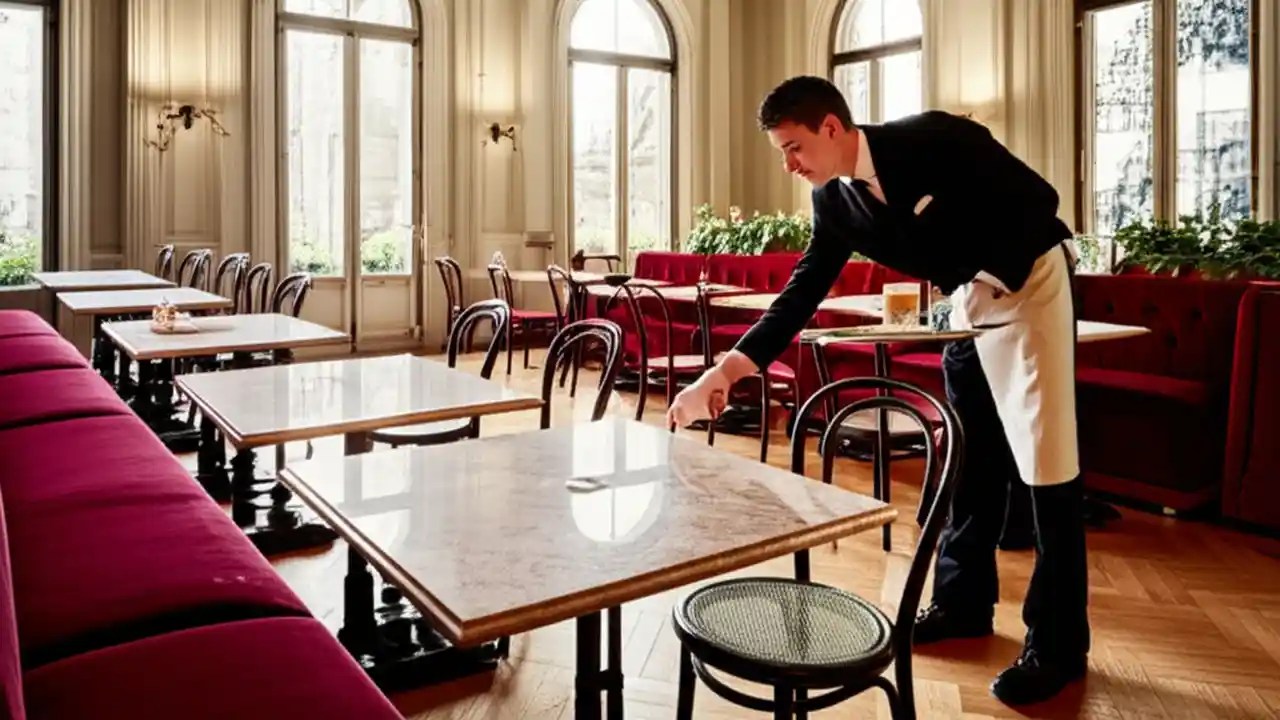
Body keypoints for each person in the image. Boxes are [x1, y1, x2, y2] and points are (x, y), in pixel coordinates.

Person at [665, 76, 1090, 707]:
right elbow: (802, 293)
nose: (789, 165)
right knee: (969, 459)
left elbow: (1040, 199)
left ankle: (1058, 645)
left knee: (1048, 467)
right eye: (781, 152)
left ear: (832, 127)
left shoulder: (935, 138)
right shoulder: (834, 203)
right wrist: (721, 375)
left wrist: (984, 267)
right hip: (970, 306)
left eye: (793, 147)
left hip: (1032, 286)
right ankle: (962, 604)